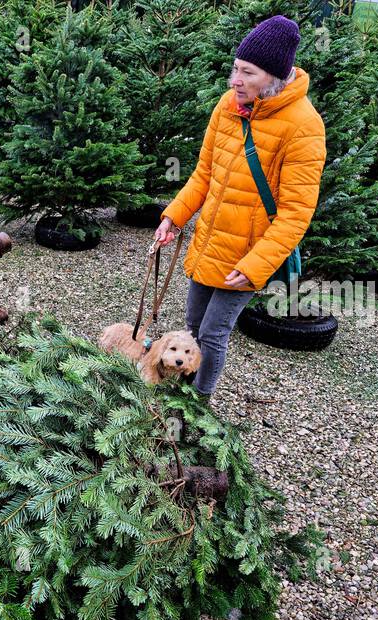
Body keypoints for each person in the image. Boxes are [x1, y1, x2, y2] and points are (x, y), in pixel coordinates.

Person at [155, 15, 326, 400]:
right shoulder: (228, 106)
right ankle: (181, 392)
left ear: (275, 77)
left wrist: (253, 267)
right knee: (194, 324)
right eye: (235, 68)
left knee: (213, 332)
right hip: (211, 241)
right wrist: (173, 216)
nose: (236, 80)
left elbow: (296, 214)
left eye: (248, 73)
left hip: (249, 254)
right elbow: (203, 174)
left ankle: (200, 404)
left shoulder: (304, 126)